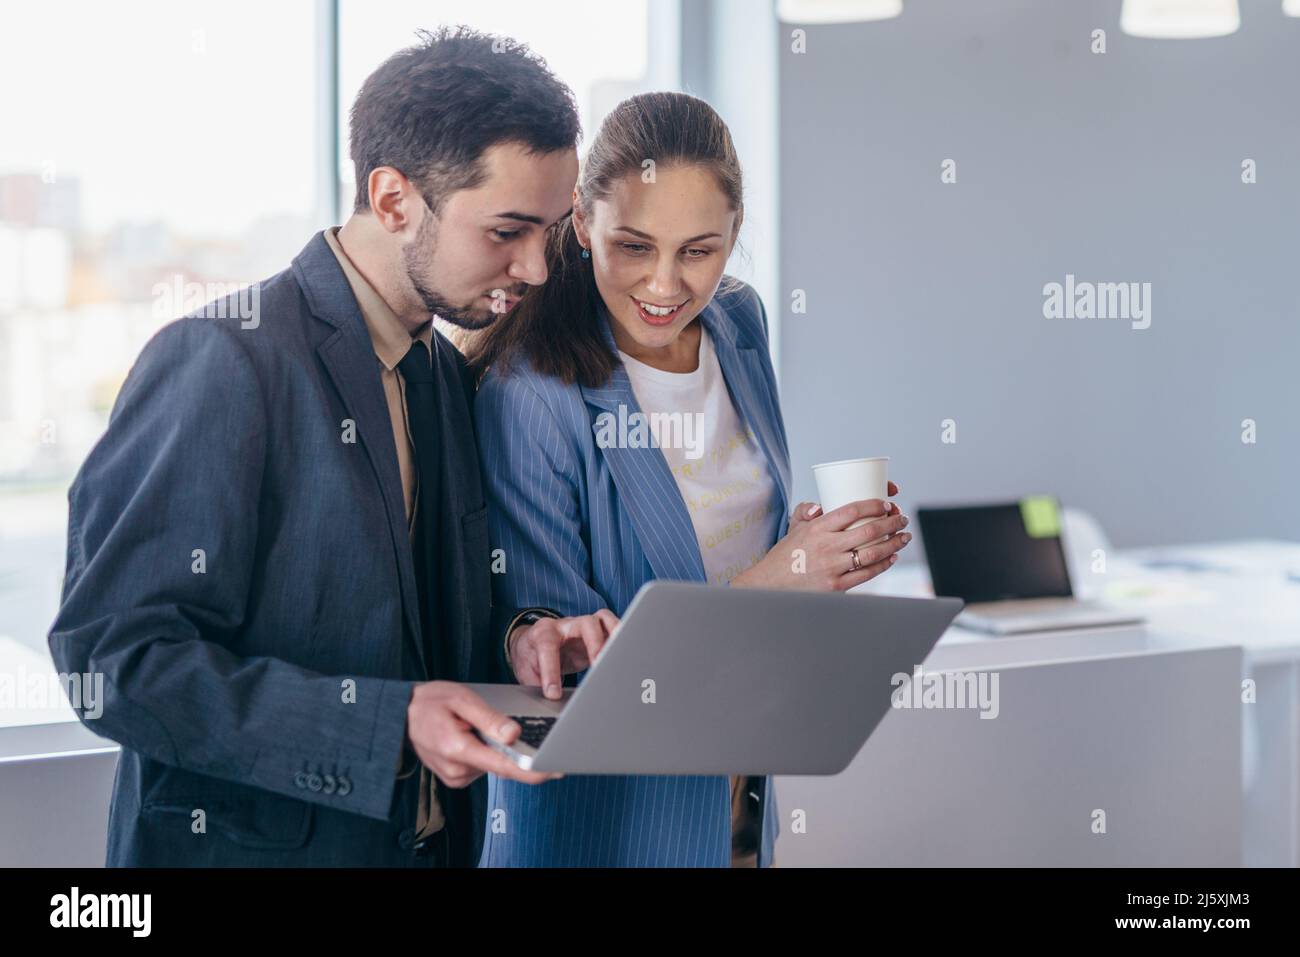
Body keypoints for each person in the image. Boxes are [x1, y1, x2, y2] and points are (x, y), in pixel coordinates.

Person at [47, 26, 616, 868]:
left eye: (549, 232)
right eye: (506, 231)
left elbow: (416, 632)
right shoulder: (223, 360)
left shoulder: (442, 372)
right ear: (393, 200)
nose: (536, 268)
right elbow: (113, 659)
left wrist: (522, 637)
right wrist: (385, 724)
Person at [467, 91, 912, 867]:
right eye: (633, 246)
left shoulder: (740, 323)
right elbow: (565, 687)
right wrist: (784, 575)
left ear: (735, 234)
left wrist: (816, 545)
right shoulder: (531, 396)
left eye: (699, 250)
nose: (666, 285)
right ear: (581, 224)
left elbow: (738, 537)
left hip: (740, 795)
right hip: (609, 825)